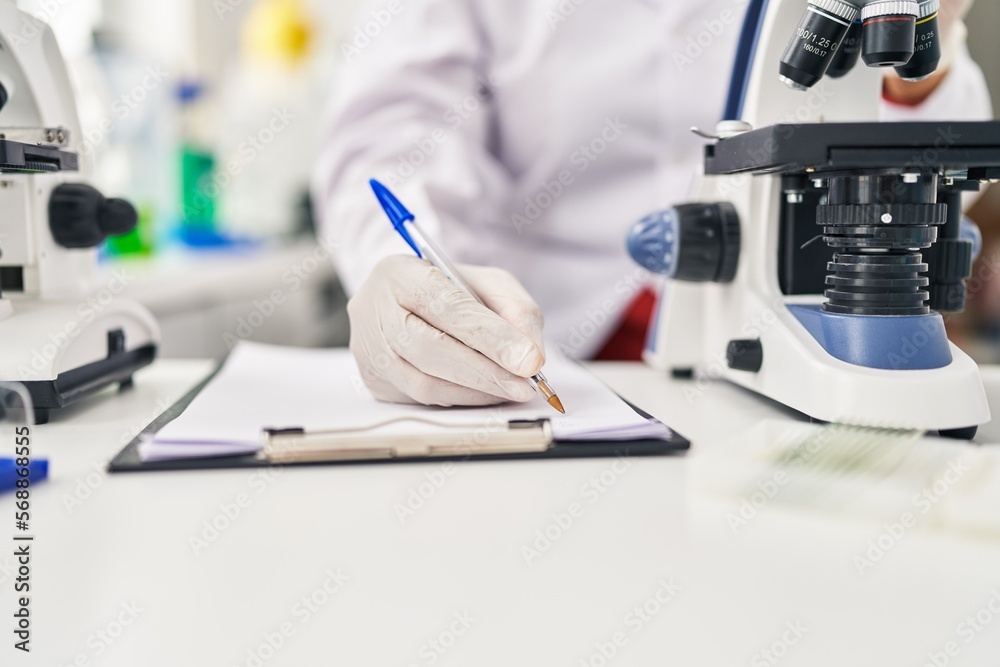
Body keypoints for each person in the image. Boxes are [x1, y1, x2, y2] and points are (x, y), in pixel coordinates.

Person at [313, 0, 992, 408]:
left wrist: (916, 72)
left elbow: (921, 133)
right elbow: (392, 139)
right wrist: (417, 283)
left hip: (802, 309)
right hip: (542, 339)